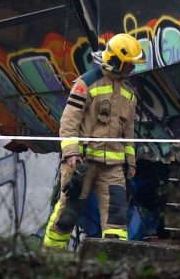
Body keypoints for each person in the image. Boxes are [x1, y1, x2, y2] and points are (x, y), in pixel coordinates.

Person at [42, 33, 145, 249]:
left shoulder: (129, 94)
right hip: (82, 163)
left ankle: (111, 265)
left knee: (117, 221)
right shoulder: (86, 84)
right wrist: (71, 153)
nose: (131, 70)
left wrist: (131, 162)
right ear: (116, 61)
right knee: (67, 215)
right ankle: (49, 258)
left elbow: (128, 132)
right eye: (128, 65)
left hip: (113, 168)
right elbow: (69, 121)